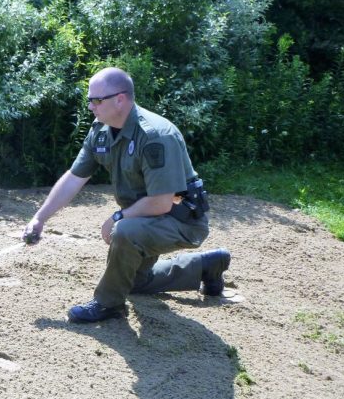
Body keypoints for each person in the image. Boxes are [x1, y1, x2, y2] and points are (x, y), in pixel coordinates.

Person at [23, 67, 231, 323]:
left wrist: (118, 216)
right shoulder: (100, 130)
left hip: (181, 220)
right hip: (146, 218)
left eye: (96, 100)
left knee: (124, 231)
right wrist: (40, 218)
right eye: (89, 100)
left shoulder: (155, 136)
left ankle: (108, 305)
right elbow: (74, 178)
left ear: (120, 99)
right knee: (135, 282)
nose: (90, 107)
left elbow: (162, 202)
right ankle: (206, 266)